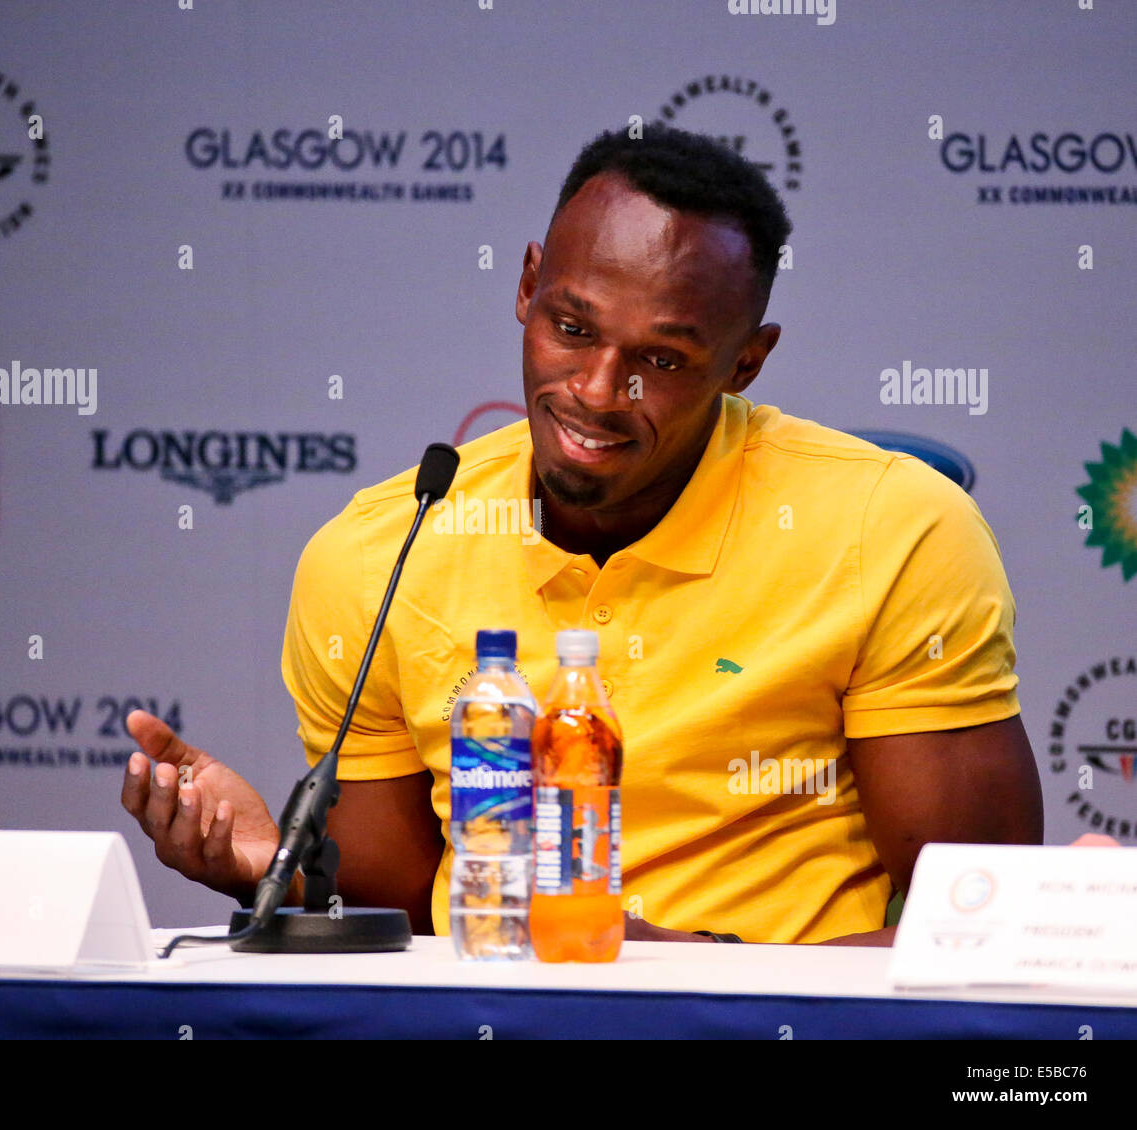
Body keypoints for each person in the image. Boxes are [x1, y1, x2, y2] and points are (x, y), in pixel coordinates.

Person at [121, 124, 1043, 945]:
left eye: (662, 359)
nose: (599, 391)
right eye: (571, 327)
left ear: (745, 363)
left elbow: (983, 922)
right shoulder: (376, 554)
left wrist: (684, 978)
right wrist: (272, 863)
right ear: (525, 288)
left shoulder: (896, 530)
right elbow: (399, 909)